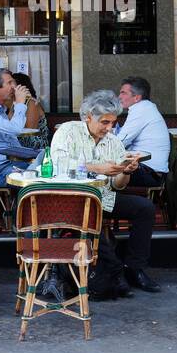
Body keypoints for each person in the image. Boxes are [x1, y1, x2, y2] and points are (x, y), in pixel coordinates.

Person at [50, 90, 158, 295]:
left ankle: (135, 268)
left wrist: (125, 171)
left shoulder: (114, 141)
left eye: (113, 123)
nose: (109, 128)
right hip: (74, 200)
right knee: (92, 215)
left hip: (104, 197)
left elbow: (118, 185)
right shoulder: (67, 131)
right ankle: (114, 273)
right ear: (88, 117)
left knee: (145, 208)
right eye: (104, 122)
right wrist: (98, 168)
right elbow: (60, 165)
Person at [116, 76, 171, 189]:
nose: (119, 97)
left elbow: (119, 142)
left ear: (136, 98)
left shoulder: (141, 110)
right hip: (149, 170)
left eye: (123, 93)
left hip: (150, 173)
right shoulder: (145, 108)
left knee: (106, 172)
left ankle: (102, 204)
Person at [11, 72, 49, 151]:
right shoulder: (13, 103)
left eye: (11, 83)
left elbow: (30, 131)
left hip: (34, 144)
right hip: (17, 141)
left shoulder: (31, 102)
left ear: (20, 87)